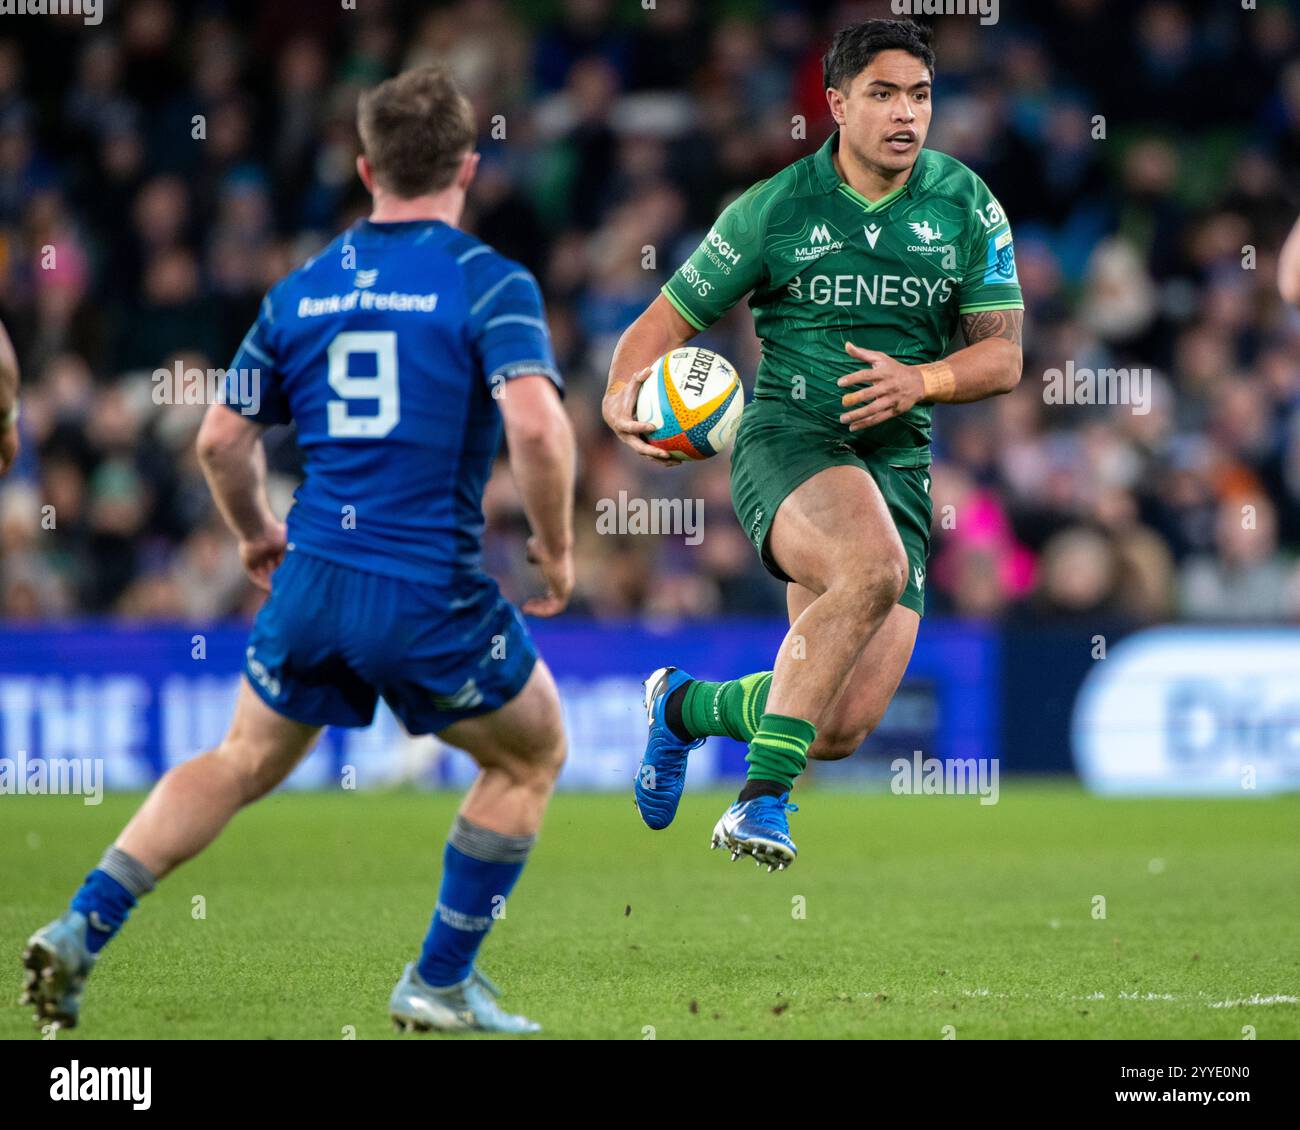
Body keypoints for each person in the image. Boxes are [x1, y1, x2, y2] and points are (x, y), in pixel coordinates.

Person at [22, 66, 575, 1034]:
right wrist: (556, 547)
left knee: (237, 758)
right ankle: (438, 978)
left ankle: (81, 924)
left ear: (364, 167)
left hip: (311, 576)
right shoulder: (490, 282)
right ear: (468, 167)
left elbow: (218, 440)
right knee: (532, 754)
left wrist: (252, 536)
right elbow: (535, 427)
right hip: (426, 590)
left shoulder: (301, 289)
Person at [602, 19, 1024, 869]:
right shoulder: (775, 207)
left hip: (897, 466)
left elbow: (1005, 355)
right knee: (869, 568)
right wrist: (619, 397)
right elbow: (663, 320)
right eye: (882, 94)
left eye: (920, 95)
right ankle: (760, 800)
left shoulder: (966, 203)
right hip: (789, 444)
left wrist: (923, 381)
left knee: (837, 724)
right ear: (836, 104)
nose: (906, 114)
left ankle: (683, 707)